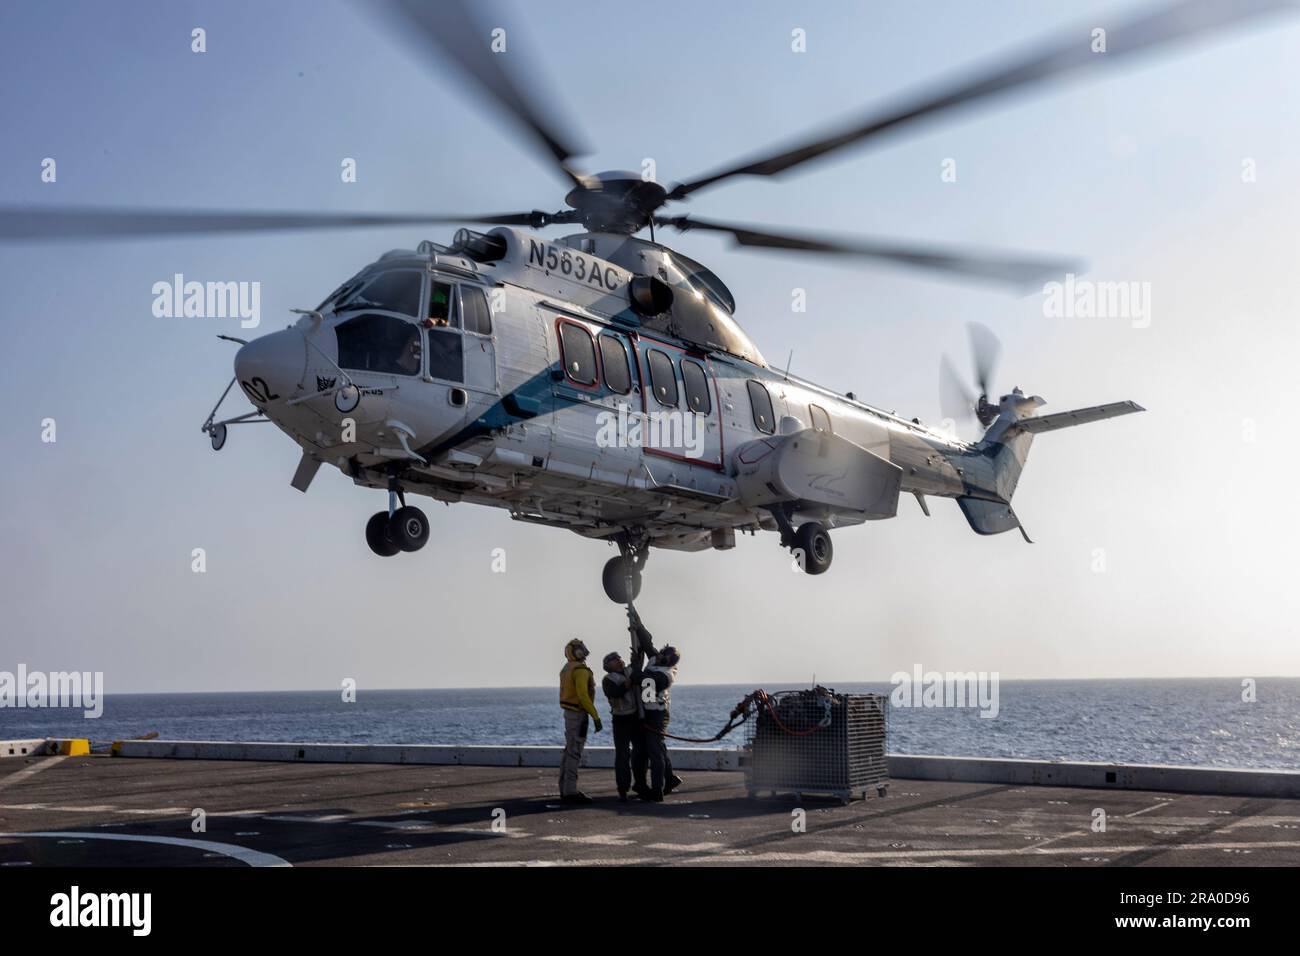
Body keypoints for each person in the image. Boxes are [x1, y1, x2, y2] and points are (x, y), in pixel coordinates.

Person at [629, 608, 683, 802]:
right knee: (654, 748)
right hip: (647, 709)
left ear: (669, 662)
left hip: (658, 714)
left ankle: (657, 790)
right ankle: (669, 779)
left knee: (654, 751)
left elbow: (643, 679)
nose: (659, 656)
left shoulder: (665, 675)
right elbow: (647, 643)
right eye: (661, 653)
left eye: (663, 656)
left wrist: (636, 666)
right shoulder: (655, 659)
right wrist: (637, 622)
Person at [558, 638, 602, 804]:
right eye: (580, 648)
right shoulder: (580, 670)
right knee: (575, 751)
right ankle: (570, 791)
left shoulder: (566, 668)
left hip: (569, 713)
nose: (583, 650)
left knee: (569, 751)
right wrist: (596, 717)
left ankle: (564, 788)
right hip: (578, 714)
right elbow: (583, 696)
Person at [601, 650, 644, 802]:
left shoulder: (629, 671)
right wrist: (628, 683)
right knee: (622, 755)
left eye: (619, 658)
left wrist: (636, 659)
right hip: (620, 720)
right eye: (614, 660)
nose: (618, 661)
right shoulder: (608, 679)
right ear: (608, 665)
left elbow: (637, 668)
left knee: (639, 752)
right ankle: (623, 788)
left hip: (635, 717)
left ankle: (641, 785)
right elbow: (616, 692)